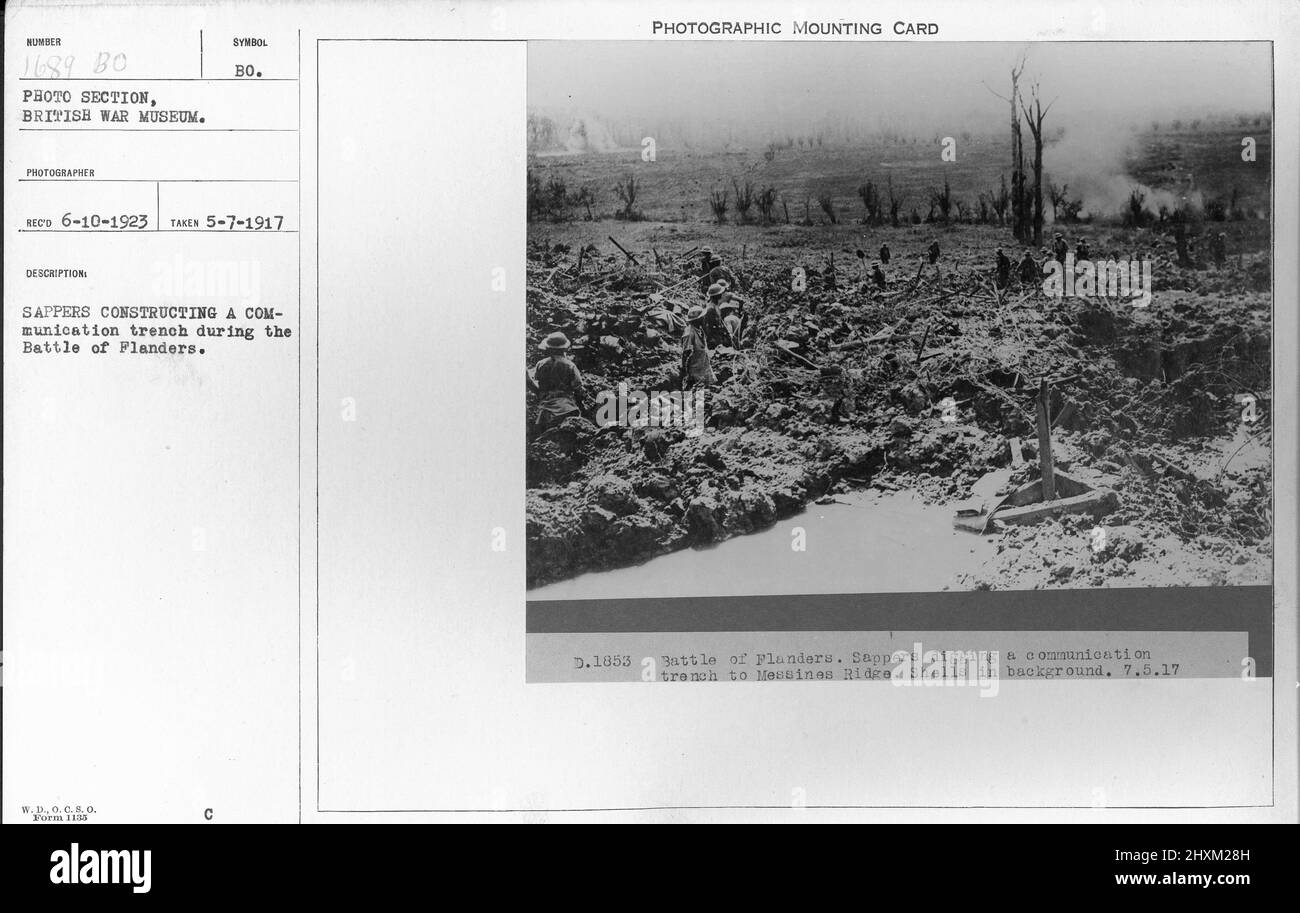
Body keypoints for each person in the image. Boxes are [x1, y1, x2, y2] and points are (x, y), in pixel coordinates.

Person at [527, 332, 586, 430]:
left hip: (545, 411)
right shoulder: (570, 366)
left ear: (548, 349)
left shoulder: (541, 364)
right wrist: (582, 408)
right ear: (565, 348)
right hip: (568, 409)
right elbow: (579, 390)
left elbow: (537, 385)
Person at [680, 306, 716, 389]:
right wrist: (686, 373)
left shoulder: (699, 329)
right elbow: (686, 353)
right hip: (695, 369)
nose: (704, 319)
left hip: (703, 365)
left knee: (708, 390)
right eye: (702, 317)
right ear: (697, 320)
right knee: (697, 391)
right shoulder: (689, 333)